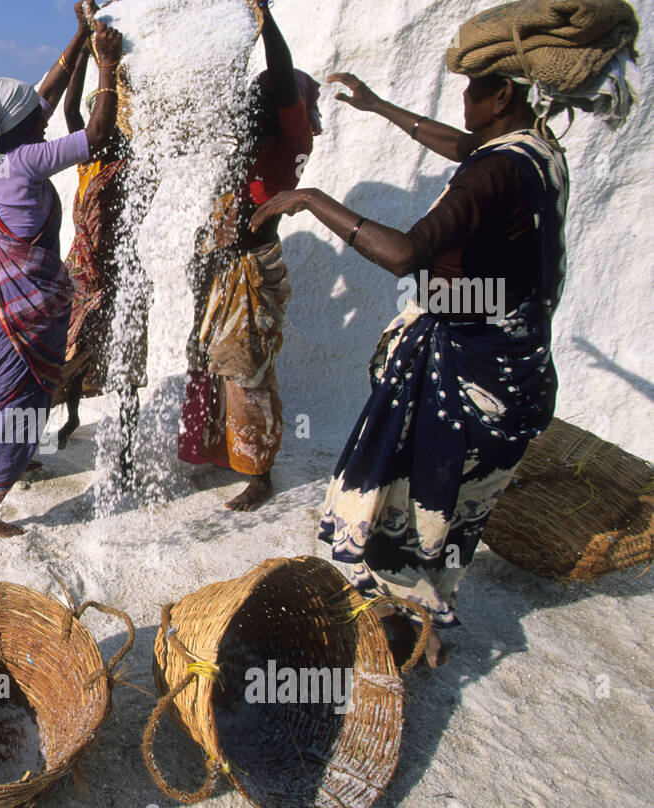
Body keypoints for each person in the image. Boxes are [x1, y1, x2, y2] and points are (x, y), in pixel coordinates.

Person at [250, 67, 572, 666]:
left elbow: (405, 255)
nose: (465, 100)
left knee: (413, 494)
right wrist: (378, 106)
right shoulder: (537, 151)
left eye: (473, 89)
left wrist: (310, 199)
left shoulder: (494, 171)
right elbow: (460, 143)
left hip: (469, 371)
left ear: (502, 95)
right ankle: (425, 617)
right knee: (449, 507)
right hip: (517, 366)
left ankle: (404, 630)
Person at [0, 15, 123, 537]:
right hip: (21, 314)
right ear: (20, 126)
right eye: (36, 116)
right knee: (17, 407)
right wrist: (108, 67)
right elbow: (96, 134)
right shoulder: (28, 160)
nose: (45, 118)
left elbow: (43, 94)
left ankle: (1, 468)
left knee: (5, 400)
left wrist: (78, 36)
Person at [178, 0, 321, 511]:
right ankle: (224, 453)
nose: (253, 108)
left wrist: (264, 15)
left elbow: (280, 75)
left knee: (248, 372)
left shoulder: (290, 138)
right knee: (215, 364)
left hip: (252, 269)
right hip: (220, 267)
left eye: (263, 101)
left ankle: (260, 475)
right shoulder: (251, 142)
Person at [54, 1, 148, 484]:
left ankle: (127, 455)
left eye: (106, 123)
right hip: (81, 276)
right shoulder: (88, 159)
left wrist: (112, 68)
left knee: (124, 368)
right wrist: (90, 46)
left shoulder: (131, 167)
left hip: (122, 280)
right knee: (67, 356)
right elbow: (71, 108)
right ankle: (68, 418)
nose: (98, 131)